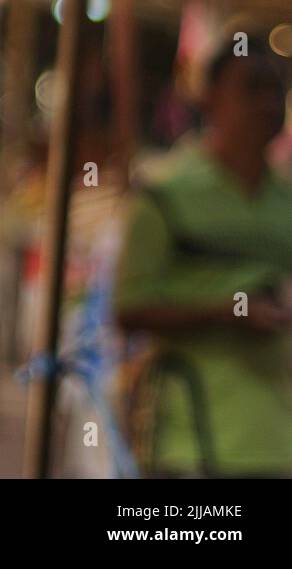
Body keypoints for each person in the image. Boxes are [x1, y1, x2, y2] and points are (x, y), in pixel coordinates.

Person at [115, 34, 292, 477]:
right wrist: (224, 313)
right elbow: (128, 309)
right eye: (252, 88)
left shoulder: (284, 201)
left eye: (276, 89)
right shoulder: (167, 195)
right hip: (190, 438)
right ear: (211, 99)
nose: (268, 103)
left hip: (275, 439)